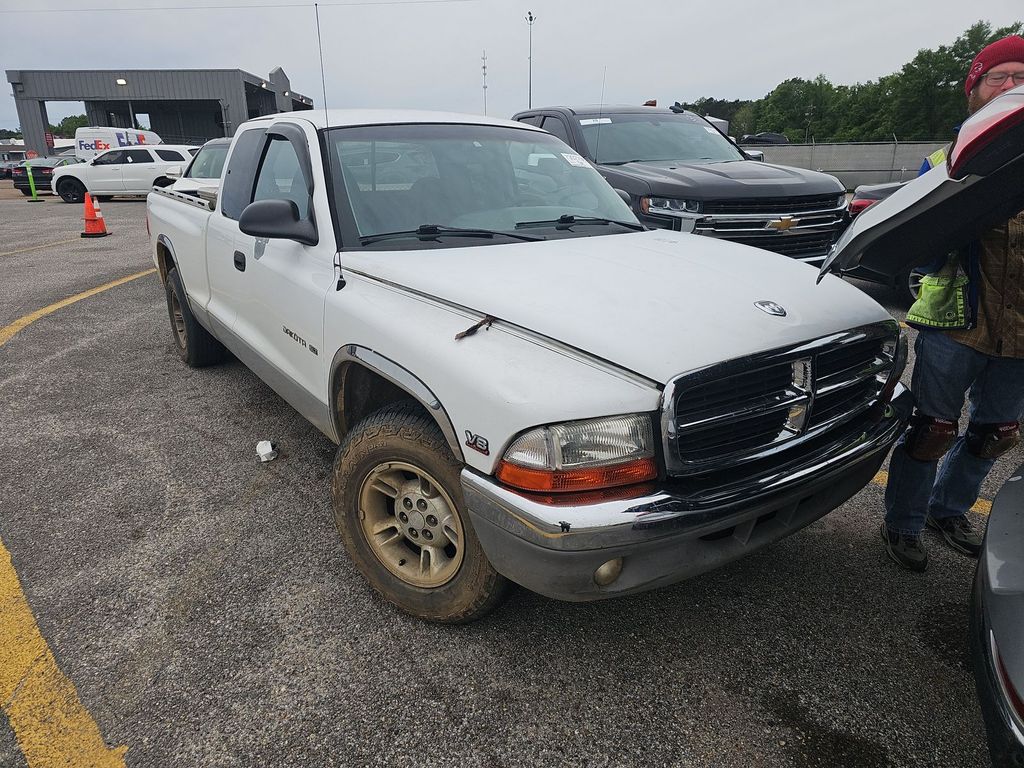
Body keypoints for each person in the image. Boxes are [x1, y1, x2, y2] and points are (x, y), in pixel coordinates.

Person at [881, 34, 1024, 571]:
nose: (1010, 86)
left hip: (1020, 327)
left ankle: (950, 510)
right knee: (930, 431)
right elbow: (915, 241)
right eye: (997, 78)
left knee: (994, 434)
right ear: (976, 90)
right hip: (953, 323)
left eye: (1020, 78)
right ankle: (904, 523)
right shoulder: (947, 160)